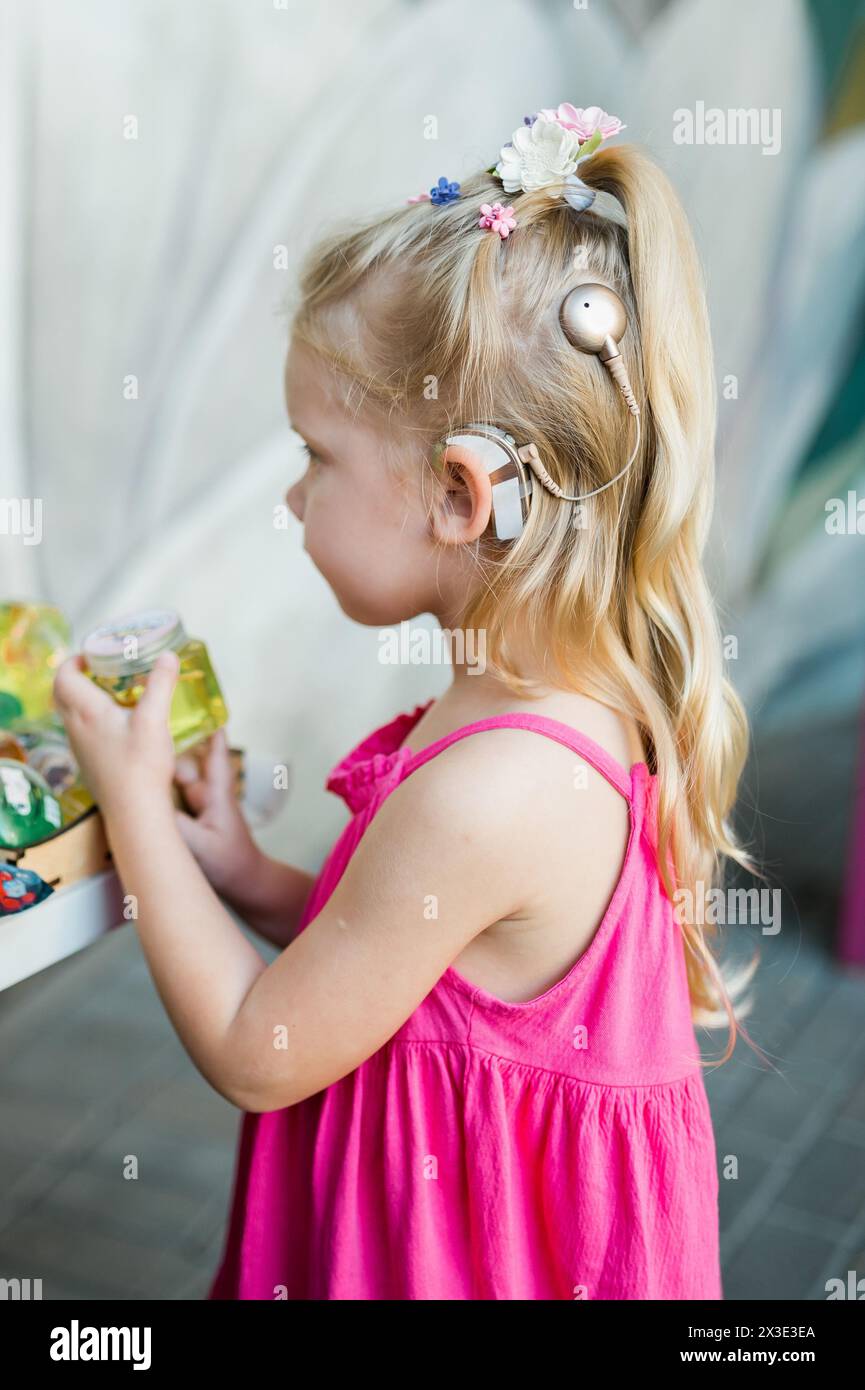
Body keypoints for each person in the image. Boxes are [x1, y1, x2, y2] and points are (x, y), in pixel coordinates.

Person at [55, 103, 761, 1300]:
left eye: (314, 456)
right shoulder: (539, 700)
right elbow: (408, 962)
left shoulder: (500, 787)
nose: (292, 500)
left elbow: (256, 1050)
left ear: (455, 496)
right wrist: (243, 873)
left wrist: (127, 806)